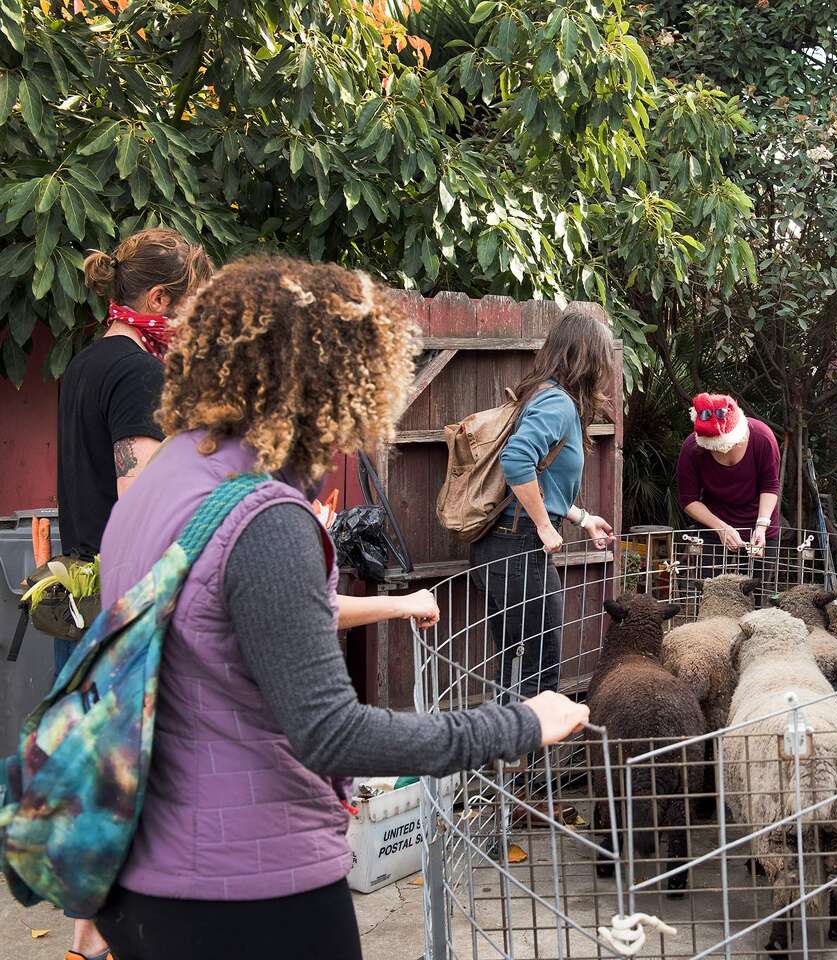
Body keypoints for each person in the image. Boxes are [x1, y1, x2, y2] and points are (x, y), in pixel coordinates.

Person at [91, 256, 589, 960]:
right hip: (250, 892)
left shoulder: (155, 484)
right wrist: (519, 722)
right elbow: (330, 732)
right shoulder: (264, 517)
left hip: (141, 878)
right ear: (336, 387)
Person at [53, 228, 213, 960]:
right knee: (138, 787)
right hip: (125, 599)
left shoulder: (83, 366)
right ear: (157, 300)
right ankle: (114, 938)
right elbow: (142, 499)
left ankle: (86, 938)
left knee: (102, 781)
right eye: (185, 309)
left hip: (79, 592)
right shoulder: (140, 377)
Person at [471, 305, 616, 700]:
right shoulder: (558, 402)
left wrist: (581, 517)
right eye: (603, 358)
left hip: (503, 542)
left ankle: (509, 756)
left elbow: (541, 478)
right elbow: (517, 460)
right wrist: (544, 526)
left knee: (516, 661)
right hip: (518, 546)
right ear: (587, 357)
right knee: (538, 666)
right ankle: (530, 761)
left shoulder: (543, 393)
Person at [676, 392, 782, 577]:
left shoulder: (762, 437)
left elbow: (770, 485)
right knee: (711, 591)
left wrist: (762, 526)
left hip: (758, 522)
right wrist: (720, 528)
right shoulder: (692, 448)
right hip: (713, 522)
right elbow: (688, 499)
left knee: (756, 592)